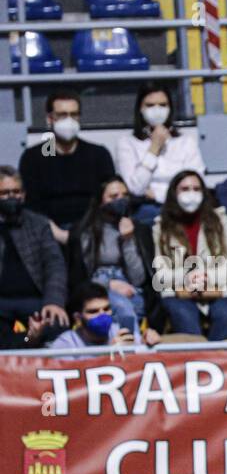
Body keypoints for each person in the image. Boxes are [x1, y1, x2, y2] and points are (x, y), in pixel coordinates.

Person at [151, 170, 227, 340]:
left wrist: (208, 277)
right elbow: (161, 274)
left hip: (219, 287)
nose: (191, 194)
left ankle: (221, 361)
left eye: (196, 189)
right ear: (174, 193)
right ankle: (196, 361)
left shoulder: (220, 219)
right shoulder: (161, 226)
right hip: (179, 290)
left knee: (226, 311)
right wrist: (188, 278)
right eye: (185, 189)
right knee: (183, 313)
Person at [19, 90, 115, 243]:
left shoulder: (98, 154)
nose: (69, 120)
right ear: (50, 118)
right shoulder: (34, 157)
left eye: (74, 114)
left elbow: (107, 199)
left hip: (92, 232)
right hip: (48, 233)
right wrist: (59, 235)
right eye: (62, 115)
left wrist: (84, 233)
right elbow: (32, 206)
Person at [115, 82, 206, 225]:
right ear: (140, 108)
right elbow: (136, 189)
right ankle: (174, 248)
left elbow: (196, 182)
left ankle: (181, 249)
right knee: (152, 217)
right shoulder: (127, 143)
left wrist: (156, 194)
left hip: (184, 206)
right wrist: (154, 148)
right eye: (150, 105)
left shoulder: (186, 142)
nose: (157, 110)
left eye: (163, 105)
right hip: (148, 210)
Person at [69, 177, 149, 335]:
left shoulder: (139, 230)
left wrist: (128, 241)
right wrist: (109, 284)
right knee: (123, 310)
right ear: (100, 201)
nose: (121, 200)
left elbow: (139, 278)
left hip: (131, 288)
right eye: (113, 197)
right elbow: (81, 277)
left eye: (125, 195)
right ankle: (127, 350)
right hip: (98, 287)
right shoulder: (86, 231)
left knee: (135, 306)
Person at [0, 165, 68, 336]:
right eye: (5, 193)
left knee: (56, 325)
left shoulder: (38, 224)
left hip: (35, 301)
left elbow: (55, 265)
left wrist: (54, 301)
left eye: (16, 192)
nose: (11, 197)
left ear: (23, 195)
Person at [36, 281, 158, 351]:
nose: (102, 315)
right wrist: (107, 354)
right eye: (93, 311)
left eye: (106, 309)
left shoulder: (121, 332)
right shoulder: (65, 344)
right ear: (78, 318)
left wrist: (148, 342)